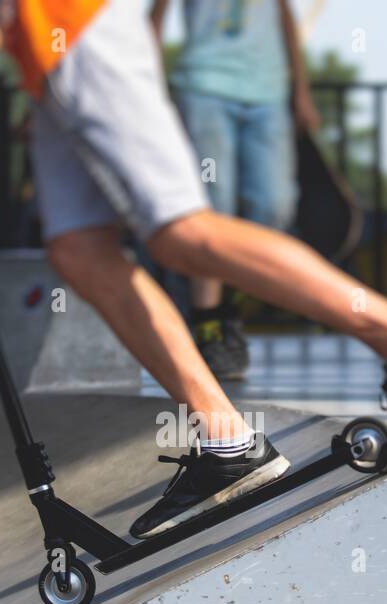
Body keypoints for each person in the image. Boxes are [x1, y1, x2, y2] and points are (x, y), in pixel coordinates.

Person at [0, 0, 387, 539]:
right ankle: (225, 439)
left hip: (80, 30)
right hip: (47, 51)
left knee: (181, 230)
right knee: (78, 246)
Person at [150, 0, 320, 381]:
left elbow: (285, 19)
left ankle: (225, 300)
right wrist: (152, 90)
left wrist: (301, 89)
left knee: (274, 207)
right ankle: (209, 323)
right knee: (213, 208)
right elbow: (156, 19)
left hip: (268, 92)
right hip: (203, 86)